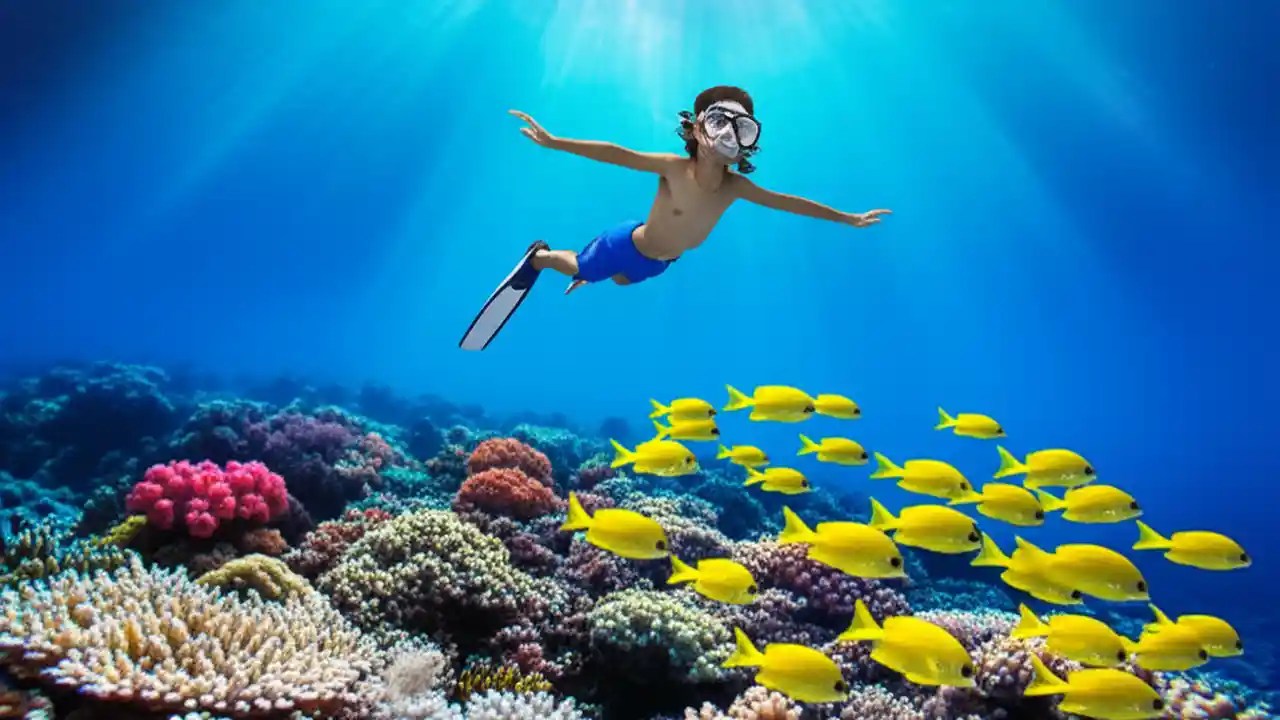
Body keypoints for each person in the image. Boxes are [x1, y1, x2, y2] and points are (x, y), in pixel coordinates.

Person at [509, 85, 891, 295]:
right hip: (627, 243)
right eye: (719, 121)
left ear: (747, 145)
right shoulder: (673, 168)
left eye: (742, 129)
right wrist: (555, 142)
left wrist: (846, 218)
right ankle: (541, 256)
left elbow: (788, 203)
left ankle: (595, 268)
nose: (727, 134)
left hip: (660, 263)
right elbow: (616, 153)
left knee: (621, 281)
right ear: (696, 128)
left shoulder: (735, 187)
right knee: (583, 269)